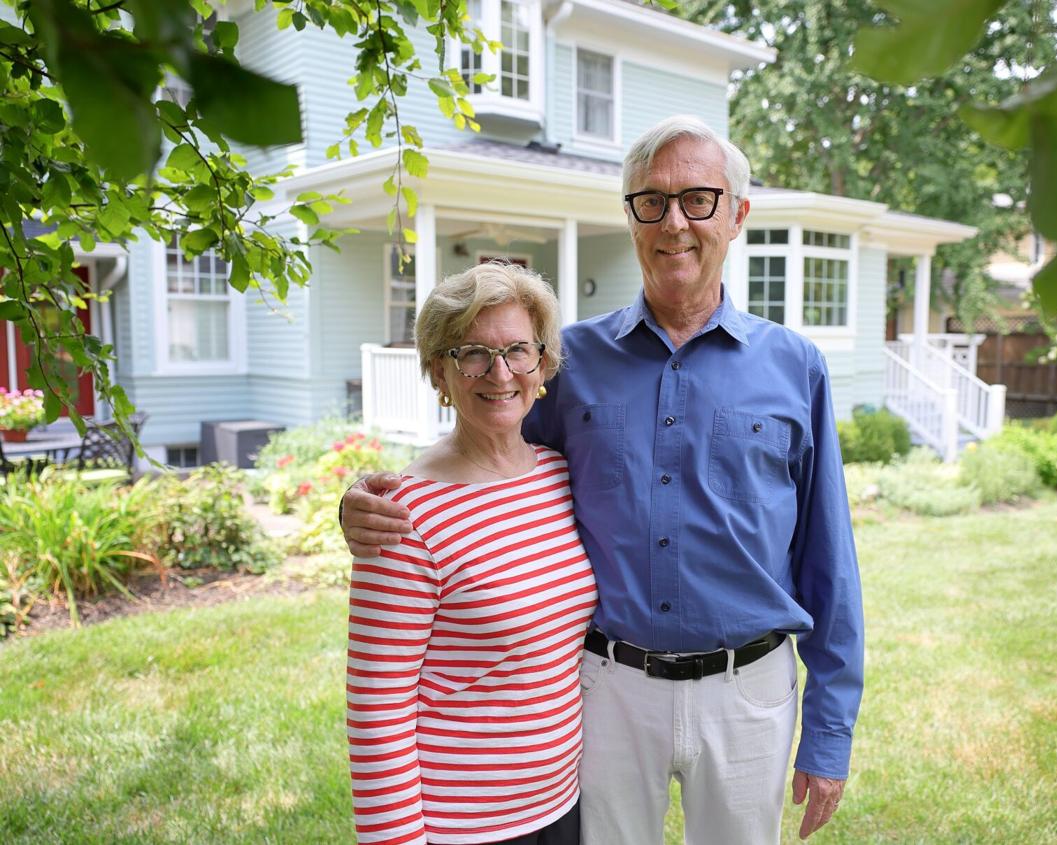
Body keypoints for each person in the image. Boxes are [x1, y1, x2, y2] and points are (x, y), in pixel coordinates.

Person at [342, 115, 864, 844]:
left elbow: (828, 558)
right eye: (651, 201)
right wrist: (373, 502)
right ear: (629, 218)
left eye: (699, 199)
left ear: (738, 214)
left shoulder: (796, 366)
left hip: (750, 695)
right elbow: (488, 443)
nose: (674, 221)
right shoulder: (570, 362)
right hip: (609, 692)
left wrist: (830, 730)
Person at [345, 262, 597, 845]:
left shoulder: (557, 476)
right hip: (462, 826)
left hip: (563, 805)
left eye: (517, 350)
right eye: (473, 353)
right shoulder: (404, 513)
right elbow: (376, 710)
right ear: (440, 370)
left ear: (543, 365)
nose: (499, 372)